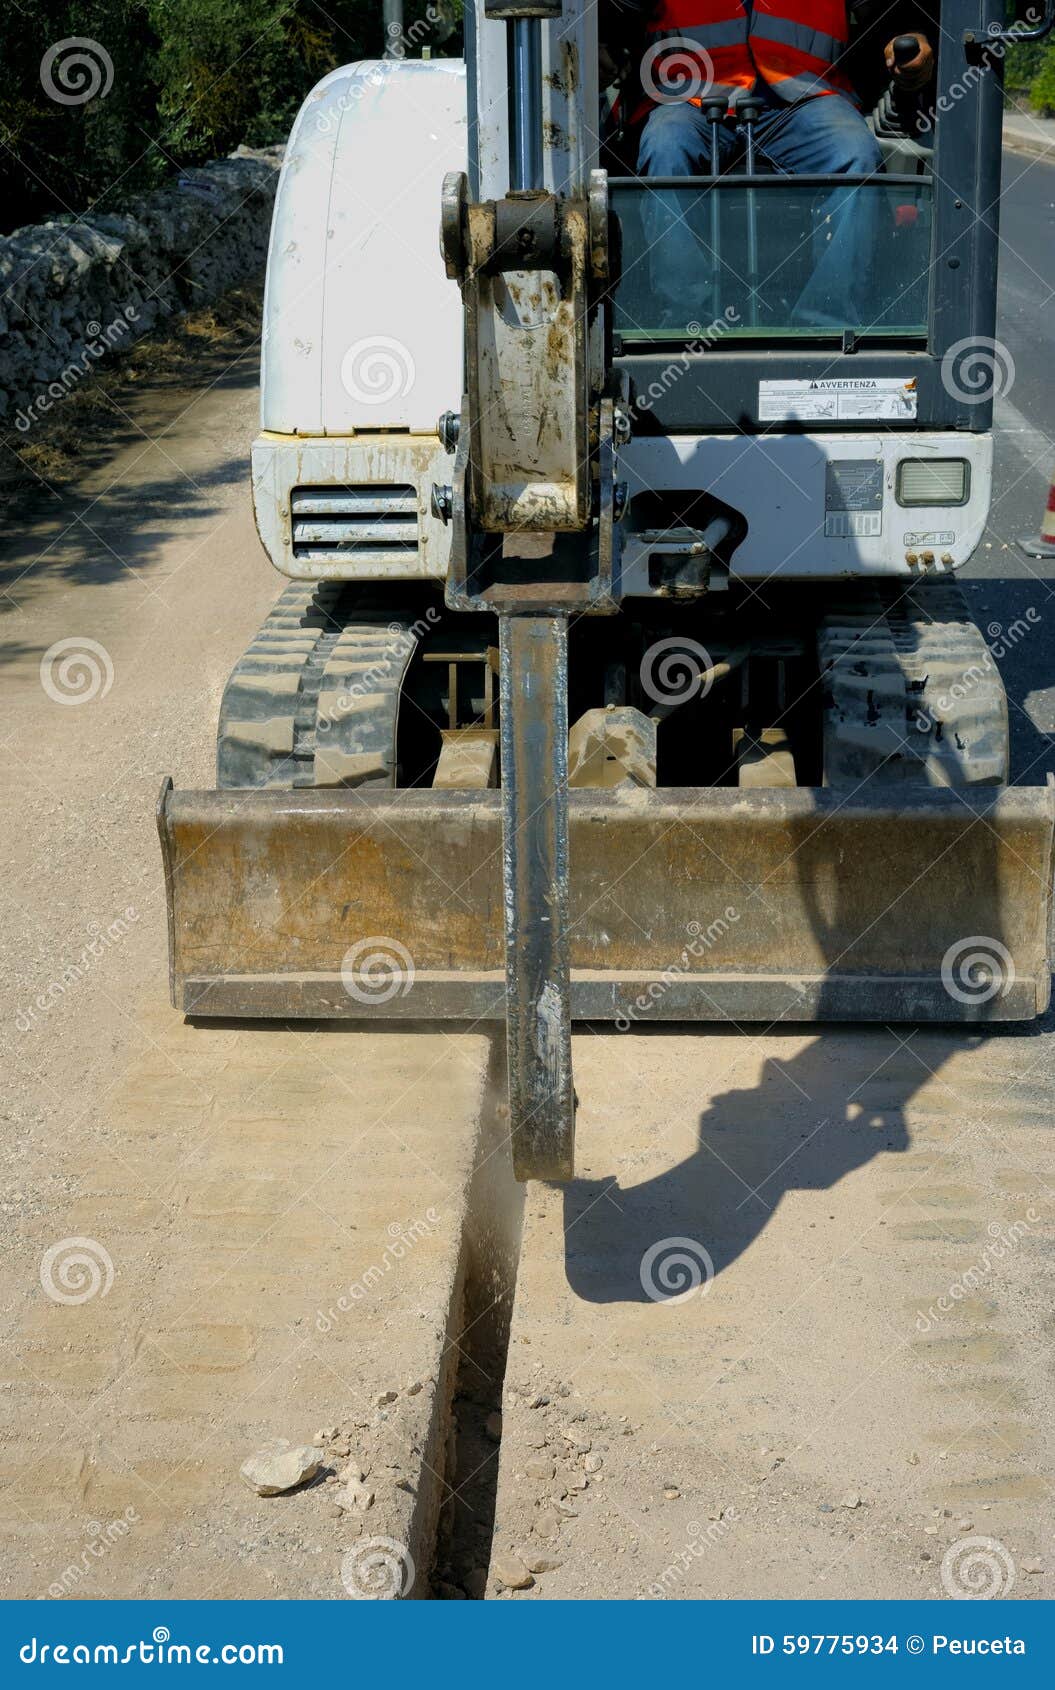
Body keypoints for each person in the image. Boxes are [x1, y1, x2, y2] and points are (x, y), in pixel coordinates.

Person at [602, 2, 936, 328]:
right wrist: (602, 42)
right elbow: (615, 11)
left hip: (805, 93)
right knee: (665, 147)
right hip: (691, 93)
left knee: (855, 153)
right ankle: (685, 321)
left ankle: (827, 324)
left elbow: (885, 14)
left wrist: (913, 37)